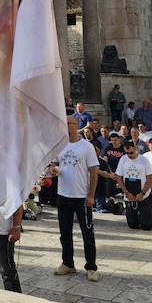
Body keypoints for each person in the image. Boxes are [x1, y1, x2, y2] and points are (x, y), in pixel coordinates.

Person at [51, 117, 100, 281]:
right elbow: (54, 164)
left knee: (87, 233)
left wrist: (91, 195)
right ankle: (68, 263)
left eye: (69, 124)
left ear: (76, 125)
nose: (65, 127)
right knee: (64, 232)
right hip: (63, 195)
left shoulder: (87, 147)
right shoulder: (60, 144)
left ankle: (91, 267)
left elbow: (93, 171)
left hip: (82, 197)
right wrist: (54, 169)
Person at [113, 140, 152, 230]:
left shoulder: (144, 160)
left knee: (146, 226)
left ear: (136, 149)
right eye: (127, 153)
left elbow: (150, 179)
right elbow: (119, 177)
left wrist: (143, 193)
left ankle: (151, 216)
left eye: (131, 152)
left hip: (143, 193)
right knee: (132, 225)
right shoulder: (123, 159)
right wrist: (126, 193)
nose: (129, 155)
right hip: (129, 193)